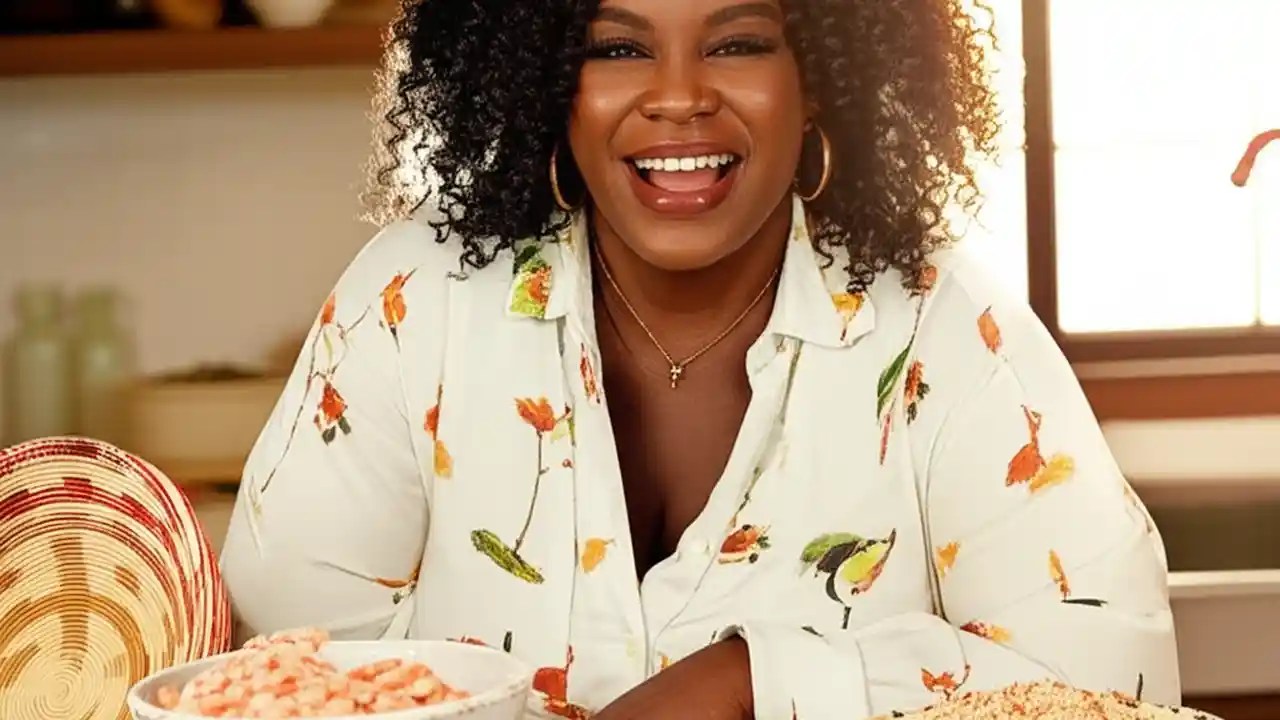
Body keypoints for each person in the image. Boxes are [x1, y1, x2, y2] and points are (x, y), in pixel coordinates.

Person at [219, 0, 1181, 717]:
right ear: (544, 79)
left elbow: (1113, 689)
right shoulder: (412, 302)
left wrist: (749, 680)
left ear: (822, 75)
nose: (679, 97)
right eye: (617, 48)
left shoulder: (946, 328)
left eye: (738, 43)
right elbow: (282, 668)